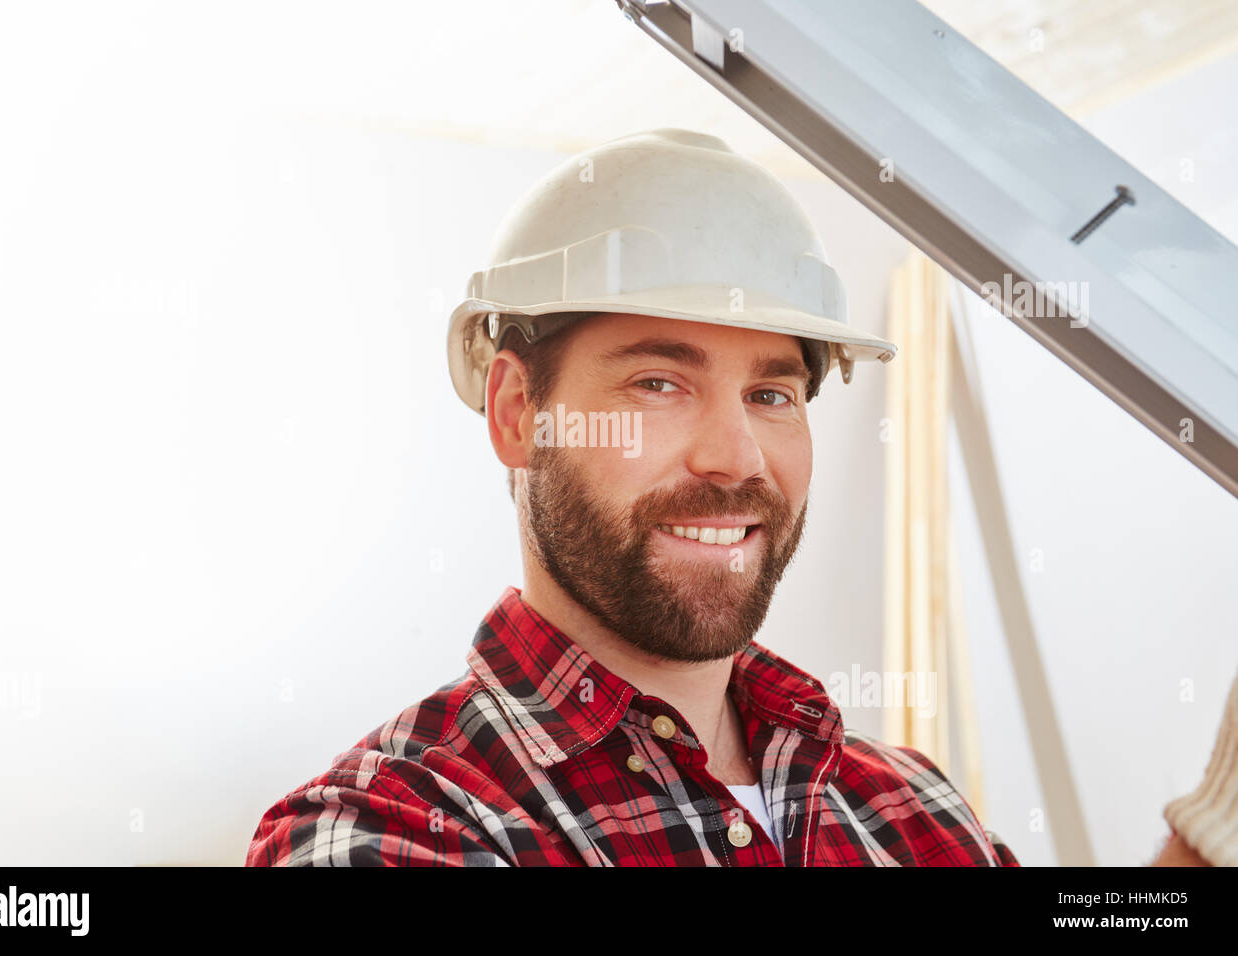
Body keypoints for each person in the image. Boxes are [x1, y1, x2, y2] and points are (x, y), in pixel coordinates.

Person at [246, 129, 1235, 866]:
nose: (733, 456)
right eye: (658, 383)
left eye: (772, 392)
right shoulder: (386, 828)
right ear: (516, 410)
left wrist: (1215, 824)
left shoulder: (912, 807)